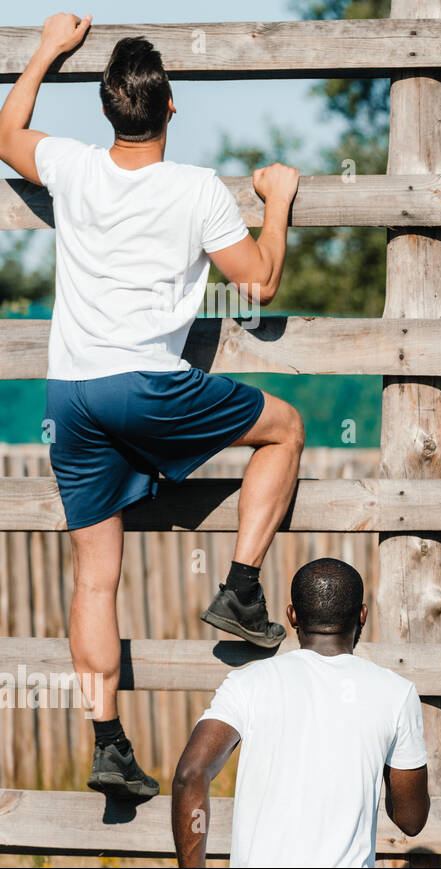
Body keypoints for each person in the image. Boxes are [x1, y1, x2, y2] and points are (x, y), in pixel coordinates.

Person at [0, 15, 306, 799]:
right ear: (169, 108)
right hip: (146, 385)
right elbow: (259, 285)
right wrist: (278, 199)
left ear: (109, 111)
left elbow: (7, 132)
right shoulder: (197, 188)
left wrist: (43, 50)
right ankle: (239, 588)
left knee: (94, 579)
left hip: (70, 394)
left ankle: (107, 743)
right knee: (286, 428)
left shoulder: (71, 166)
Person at [170, 558, 430, 867]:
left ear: (292, 615)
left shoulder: (247, 682)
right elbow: (410, 820)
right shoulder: (396, 693)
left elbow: (190, 775)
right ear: (362, 615)